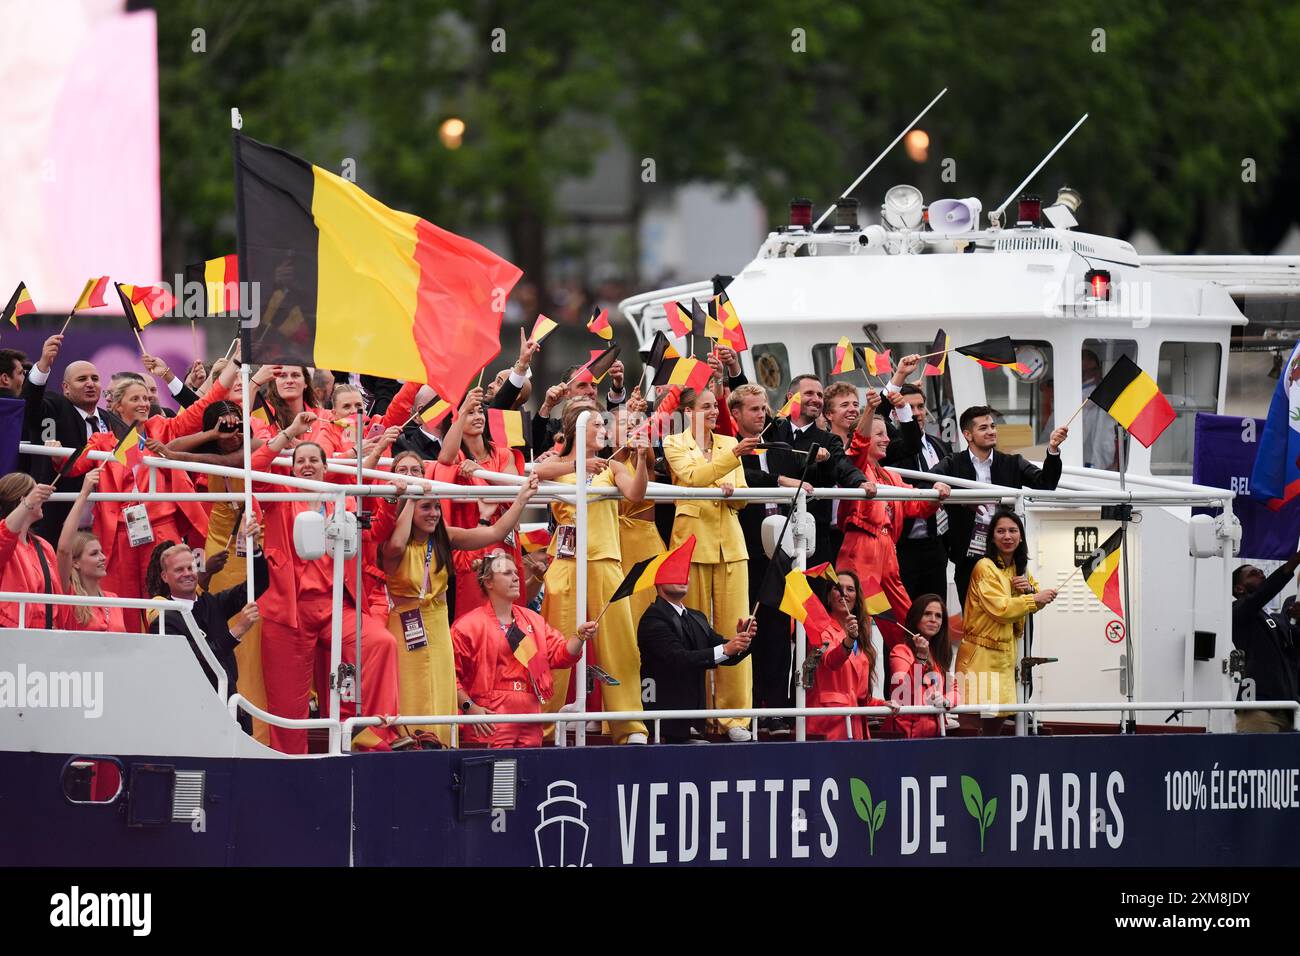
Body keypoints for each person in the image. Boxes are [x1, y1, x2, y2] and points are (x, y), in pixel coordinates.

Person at [251, 415, 401, 753]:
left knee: (381, 643)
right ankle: (291, 770)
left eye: (313, 460)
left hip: (337, 607)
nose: (306, 465)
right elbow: (255, 468)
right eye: (300, 461)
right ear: (291, 469)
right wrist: (289, 432)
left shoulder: (342, 499)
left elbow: (376, 531)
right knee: (288, 704)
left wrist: (391, 499)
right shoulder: (280, 494)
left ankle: (373, 733)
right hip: (289, 612)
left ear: (324, 466)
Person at [64, 357, 240, 632]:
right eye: (136, 399)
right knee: (125, 604)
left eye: (147, 398)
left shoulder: (163, 428)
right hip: (120, 534)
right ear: (117, 405)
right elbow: (71, 468)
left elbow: (203, 405)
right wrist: (55, 448)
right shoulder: (102, 442)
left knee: (165, 599)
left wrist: (236, 363)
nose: (145, 403)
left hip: (161, 529)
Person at [378, 474, 539, 748]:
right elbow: (395, 546)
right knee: (408, 690)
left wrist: (522, 498)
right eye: (425, 507)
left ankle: (439, 745)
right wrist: (410, 498)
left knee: (441, 688)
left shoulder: (445, 537)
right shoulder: (393, 543)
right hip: (405, 624)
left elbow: (495, 533)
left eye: (436, 507)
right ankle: (409, 745)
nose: (433, 513)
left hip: (438, 623)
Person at [533, 402, 652, 744]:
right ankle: (542, 724)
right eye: (596, 425)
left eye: (603, 424)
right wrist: (577, 464)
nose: (603, 430)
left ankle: (629, 726)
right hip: (566, 563)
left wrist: (641, 461)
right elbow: (535, 474)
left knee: (620, 644)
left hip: (605, 560)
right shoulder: (556, 463)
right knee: (555, 644)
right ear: (575, 429)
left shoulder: (614, 463)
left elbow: (636, 492)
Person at [662, 386, 761, 741]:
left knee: (739, 630)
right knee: (693, 635)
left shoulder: (725, 442)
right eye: (706, 407)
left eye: (714, 407)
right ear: (688, 412)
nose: (714, 412)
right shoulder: (674, 443)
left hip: (731, 546)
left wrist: (733, 492)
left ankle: (735, 720)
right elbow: (692, 478)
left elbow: (741, 497)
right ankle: (695, 716)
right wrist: (731, 459)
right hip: (692, 545)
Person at [451, 551, 598, 748]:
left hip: (530, 713)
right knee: (496, 776)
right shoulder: (468, 626)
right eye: (506, 573)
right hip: (490, 716)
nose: (515, 577)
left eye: (515, 572)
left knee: (529, 776)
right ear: (488, 582)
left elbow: (560, 655)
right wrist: (469, 707)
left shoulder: (533, 620)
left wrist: (580, 636)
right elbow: (450, 676)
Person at [146, 516, 269, 737]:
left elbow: (258, 583)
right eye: (179, 570)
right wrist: (236, 631)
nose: (187, 573)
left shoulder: (212, 602)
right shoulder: (164, 620)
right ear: (165, 577)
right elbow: (196, 661)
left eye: (191, 567)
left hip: (229, 708)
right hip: (190, 715)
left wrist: (255, 548)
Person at [932, 406, 1067, 606]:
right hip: (967, 557)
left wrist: (1053, 449)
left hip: (1006, 552)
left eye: (993, 426)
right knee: (973, 617)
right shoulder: (953, 463)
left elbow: (1046, 483)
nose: (992, 431)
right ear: (968, 435)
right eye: (984, 428)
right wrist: (937, 484)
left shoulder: (1012, 462)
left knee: (1013, 611)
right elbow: (926, 480)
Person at [837, 415, 951, 624]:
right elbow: (856, 447)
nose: (887, 439)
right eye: (879, 434)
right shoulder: (855, 468)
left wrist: (935, 492)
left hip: (888, 548)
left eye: (887, 434)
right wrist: (870, 408)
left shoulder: (891, 477)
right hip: (862, 546)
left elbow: (916, 504)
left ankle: (909, 655)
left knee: (903, 619)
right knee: (857, 615)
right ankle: (853, 656)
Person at [957, 508, 1056, 736]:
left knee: (994, 728)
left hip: (1005, 658)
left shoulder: (1017, 568)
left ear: (1021, 536)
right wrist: (1034, 597)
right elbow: (1000, 609)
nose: (1007, 536)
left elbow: (1036, 596)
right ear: (992, 537)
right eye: (1001, 531)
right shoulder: (985, 567)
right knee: (972, 725)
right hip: (979, 655)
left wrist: (1031, 591)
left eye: (1013, 531)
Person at [762, 374, 876, 565]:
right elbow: (747, 403)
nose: (816, 399)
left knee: (815, 593)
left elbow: (842, 465)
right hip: (774, 533)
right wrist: (733, 368)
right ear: (791, 397)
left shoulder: (829, 440)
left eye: (820, 395)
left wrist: (860, 482)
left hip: (814, 538)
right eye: (809, 393)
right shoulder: (772, 431)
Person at [20, 334, 125, 541]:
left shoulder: (113, 420)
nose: (90, 384)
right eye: (81, 379)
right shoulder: (55, 407)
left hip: (106, 518)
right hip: (60, 514)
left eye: (95, 379)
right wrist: (43, 366)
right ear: (66, 388)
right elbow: (30, 406)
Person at [637, 580, 755, 743]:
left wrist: (743, 640)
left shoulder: (697, 617)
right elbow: (678, 658)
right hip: (664, 724)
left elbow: (723, 652)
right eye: (674, 573)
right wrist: (726, 649)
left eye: (685, 573)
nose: (682, 578)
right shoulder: (652, 618)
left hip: (694, 723)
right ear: (659, 582)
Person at [806, 571, 898, 740]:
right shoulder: (820, 628)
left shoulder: (861, 638)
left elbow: (858, 695)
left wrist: (881, 703)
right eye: (838, 589)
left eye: (850, 589)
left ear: (857, 598)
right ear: (828, 597)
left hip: (856, 727)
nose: (844, 594)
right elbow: (830, 661)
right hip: (828, 725)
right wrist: (848, 640)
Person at [892, 384, 954, 603]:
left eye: (920, 406)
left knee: (936, 609)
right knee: (908, 611)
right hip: (904, 544)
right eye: (909, 407)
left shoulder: (940, 445)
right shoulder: (891, 447)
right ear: (897, 412)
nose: (917, 413)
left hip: (937, 543)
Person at [1230, 554, 1300, 733]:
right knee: (1257, 760)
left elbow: (1295, 650)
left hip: (1289, 707)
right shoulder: (1237, 611)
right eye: (1253, 573)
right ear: (1239, 588)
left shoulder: (1279, 619)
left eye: (1262, 572)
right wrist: (1293, 563)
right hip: (1258, 707)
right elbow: (1263, 593)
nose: (1261, 574)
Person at [55, 468, 126, 632]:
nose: (103, 557)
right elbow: (64, 549)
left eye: (101, 552)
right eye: (94, 553)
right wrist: (84, 494)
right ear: (75, 562)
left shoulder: (113, 598)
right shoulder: (67, 595)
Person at [883, 593, 957, 738]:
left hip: (934, 736)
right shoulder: (900, 650)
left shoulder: (938, 655)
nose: (933, 620)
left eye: (938, 616)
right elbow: (904, 691)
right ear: (916, 618)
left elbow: (955, 690)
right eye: (927, 614)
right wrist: (921, 657)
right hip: (903, 736)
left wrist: (946, 701)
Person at [0, 476, 60, 628]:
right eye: (36, 492)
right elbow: (4, 537)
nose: (43, 499)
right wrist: (28, 503)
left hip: (44, 636)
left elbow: (57, 598)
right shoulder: (5, 541)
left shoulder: (44, 546)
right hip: (10, 636)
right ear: (22, 500)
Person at [1080, 348, 1118, 471]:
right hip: (1076, 469)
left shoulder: (1110, 398)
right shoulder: (1068, 403)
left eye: (1094, 370)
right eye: (1085, 372)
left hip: (1106, 471)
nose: (1091, 376)